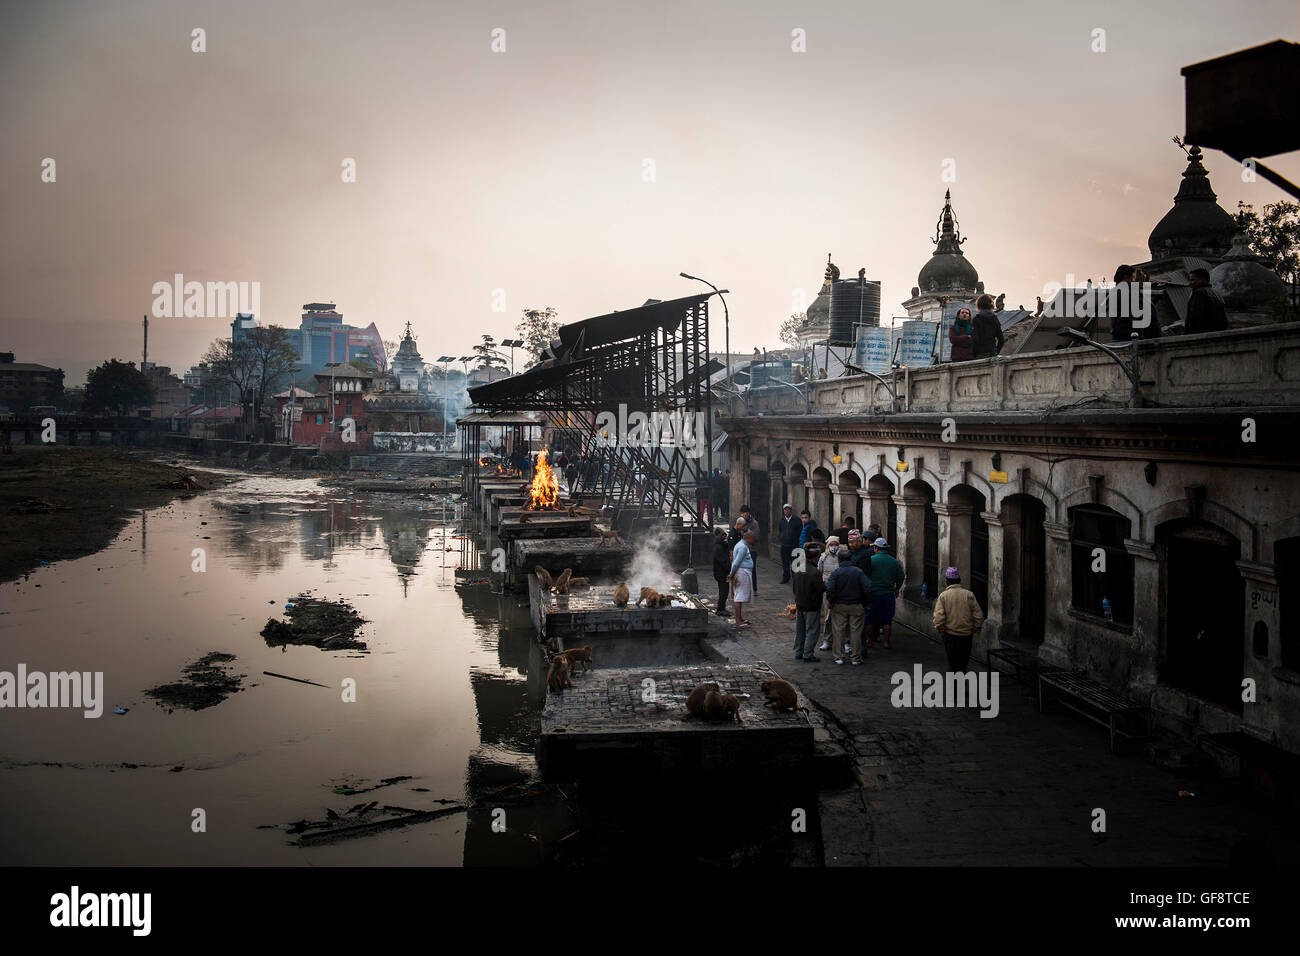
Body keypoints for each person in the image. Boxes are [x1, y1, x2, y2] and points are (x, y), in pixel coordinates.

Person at [932, 566, 985, 671]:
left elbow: (938, 618)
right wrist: (974, 629)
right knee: (963, 663)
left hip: (950, 635)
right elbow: (979, 616)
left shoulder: (943, 596)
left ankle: (955, 686)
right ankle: (960, 684)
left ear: (947, 581)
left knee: (953, 664)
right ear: (959, 580)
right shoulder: (969, 595)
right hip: (966, 635)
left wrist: (942, 631)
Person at [825, 558, 872, 665]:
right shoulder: (858, 572)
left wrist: (831, 602)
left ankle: (839, 657)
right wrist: (867, 602)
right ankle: (855, 658)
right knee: (856, 632)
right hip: (856, 605)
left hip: (839, 606)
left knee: (838, 631)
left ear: (839, 560)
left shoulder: (836, 573)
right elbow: (868, 587)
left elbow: (830, 588)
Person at [864, 537, 905, 649]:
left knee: (869, 619)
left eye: (874, 548)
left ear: (877, 548)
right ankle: (886, 642)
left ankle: (869, 640)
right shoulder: (894, 561)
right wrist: (897, 588)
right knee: (887, 620)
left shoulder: (871, 560)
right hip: (888, 594)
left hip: (873, 594)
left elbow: (865, 576)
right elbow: (901, 577)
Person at [791, 543, 825, 662]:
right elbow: (821, 589)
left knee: (800, 630)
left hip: (800, 604)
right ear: (814, 558)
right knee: (812, 630)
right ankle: (808, 654)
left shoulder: (799, 568)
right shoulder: (814, 572)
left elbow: (794, 587)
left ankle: (798, 652)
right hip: (811, 606)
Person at [1110, 265, 1161, 342]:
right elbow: (1149, 319)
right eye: (1133, 277)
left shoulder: (1112, 295)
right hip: (1134, 341)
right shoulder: (1133, 294)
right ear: (1126, 277)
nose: (1134, 281)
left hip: (1118, 339)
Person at [816, 536, 842, 650]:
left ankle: (844, 641)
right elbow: (819, 573)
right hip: (827, 590)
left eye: (835, 544)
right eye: (831, 545)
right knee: (828, 616)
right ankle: (827, 640)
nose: (833, 547)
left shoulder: (842, 556)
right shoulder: (823, 557)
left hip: (841, 591)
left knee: (842, 617)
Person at [728, 528, 757, 629]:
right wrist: (731, 574)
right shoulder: (742, 547)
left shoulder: (743, 545)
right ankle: (738, 621)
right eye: (753, 538)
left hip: (742, 572)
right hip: (741, 573)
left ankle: (740, 618)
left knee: (739, 596)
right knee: (738, 597)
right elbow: (736, 562)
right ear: (748, 538)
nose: (754, 540)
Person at [1185, 268, 1228, 335]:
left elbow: (1194, 316)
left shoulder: (1199, 293)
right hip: (1216, 334)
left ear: (1202, 279)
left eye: (1192, 280)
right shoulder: (1216, 293)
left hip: (1200, 335)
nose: (1190, 283)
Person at [971, 293, 1004, 359]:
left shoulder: (976, 319)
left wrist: (973, 354)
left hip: (980, 353)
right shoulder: (995, 319)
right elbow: (1001, 339)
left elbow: (975, 339)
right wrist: (996, 351)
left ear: (979, 305)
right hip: (991, 352)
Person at [711, 528, 732, 618]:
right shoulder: (718, 547)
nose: (724, 536)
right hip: (721, 572)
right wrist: (729, 568)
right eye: (723, 535)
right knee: (723, 591)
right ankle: (720, 609)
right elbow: (722, 561)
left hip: (722, 571)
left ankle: (722, 607)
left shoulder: (722, 545)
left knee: (724, 591)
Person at [779, 503, 801, 584]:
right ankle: (786, 578)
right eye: (785, 509)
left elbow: (799, 531)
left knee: (794, 563)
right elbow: (780, 530)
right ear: (783, 511)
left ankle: (795, 578)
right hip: (784, 545)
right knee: (785, 563)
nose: (787, 511)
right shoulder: (781, 520)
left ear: (791, 510)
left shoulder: (797, 520)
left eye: (788, 509)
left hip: (794, 545)